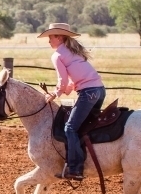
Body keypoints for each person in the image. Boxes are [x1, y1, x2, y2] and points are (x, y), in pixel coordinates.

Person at [38, 23, 106, 181]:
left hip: (88, 93)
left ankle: (75, 168)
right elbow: (75, 80)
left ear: (59, 37)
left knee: (70, 128)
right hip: (99, 91)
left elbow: (62, 80)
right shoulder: (74, 51)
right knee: (84, 125)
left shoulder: (57, 55)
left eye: (51, 37)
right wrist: (65, 90)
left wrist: (54, 94)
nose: (49, 41)